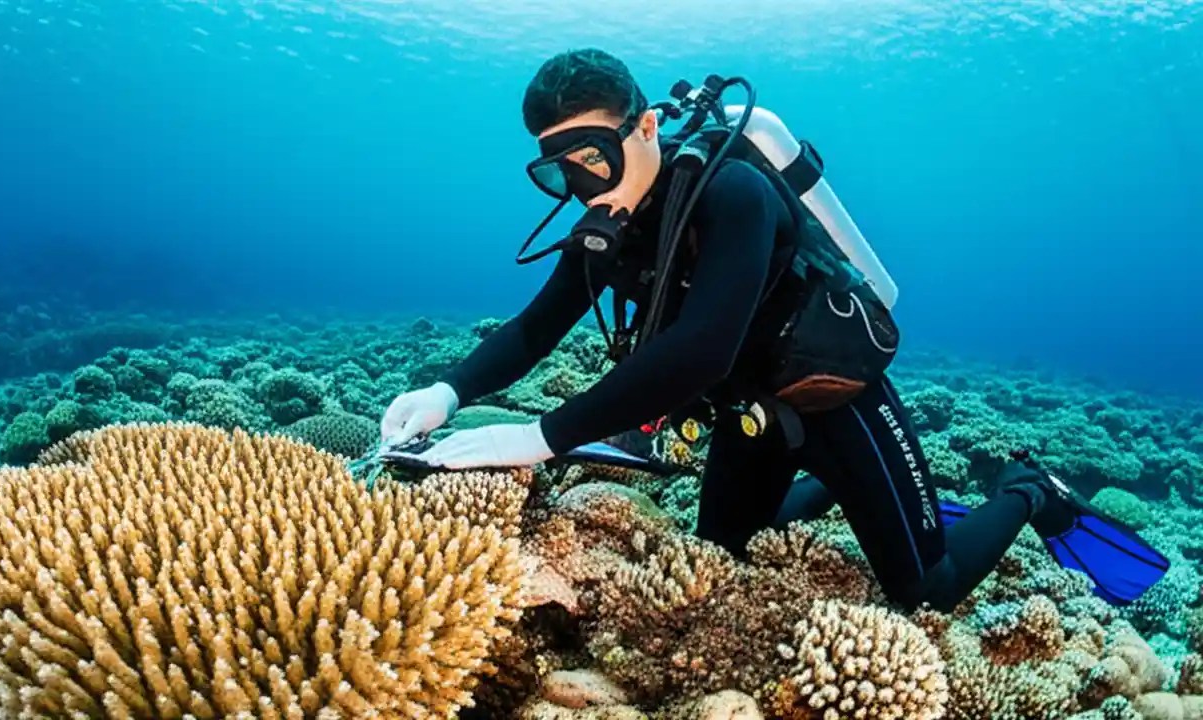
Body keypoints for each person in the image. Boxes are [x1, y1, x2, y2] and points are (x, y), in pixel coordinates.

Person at [376, 48, 1130, 612]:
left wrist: (543, 436)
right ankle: (848, 494)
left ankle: (1030, 489)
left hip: (836, 400)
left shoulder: (731, 191)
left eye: (594, 158)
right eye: (558, 172)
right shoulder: (614, 230)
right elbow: (535, 327)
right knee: (725, 554)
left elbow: (702, 349)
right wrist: (448, 390)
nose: (582, 187)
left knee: (925, 592)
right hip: (748, 415)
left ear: (643, 128)